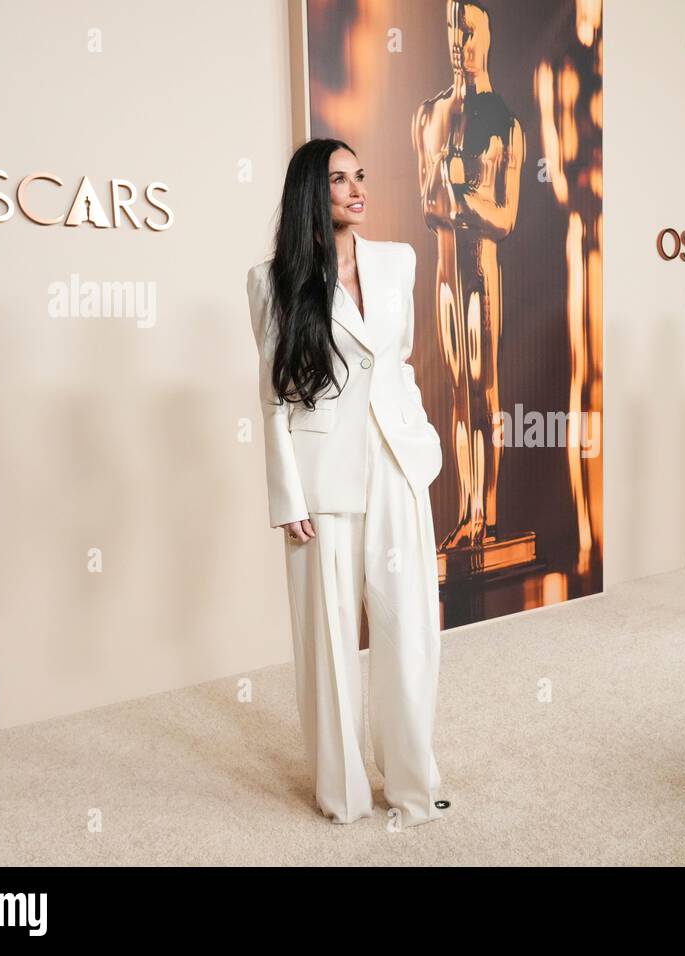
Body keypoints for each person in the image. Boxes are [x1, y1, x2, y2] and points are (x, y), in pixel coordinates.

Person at [246, 138, 446, 827]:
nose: (357, 189)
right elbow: (275, 397)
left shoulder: (399, 262)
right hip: (320, 477)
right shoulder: (272, 280)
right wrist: (286, 496)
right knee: (328, 642)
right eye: (339, 180)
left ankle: (414, 782)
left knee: (409, 625)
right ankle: (343, 792)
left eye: (360, 175)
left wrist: (420, 442)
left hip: (395, 463)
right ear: (312, 193)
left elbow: (402, 362)